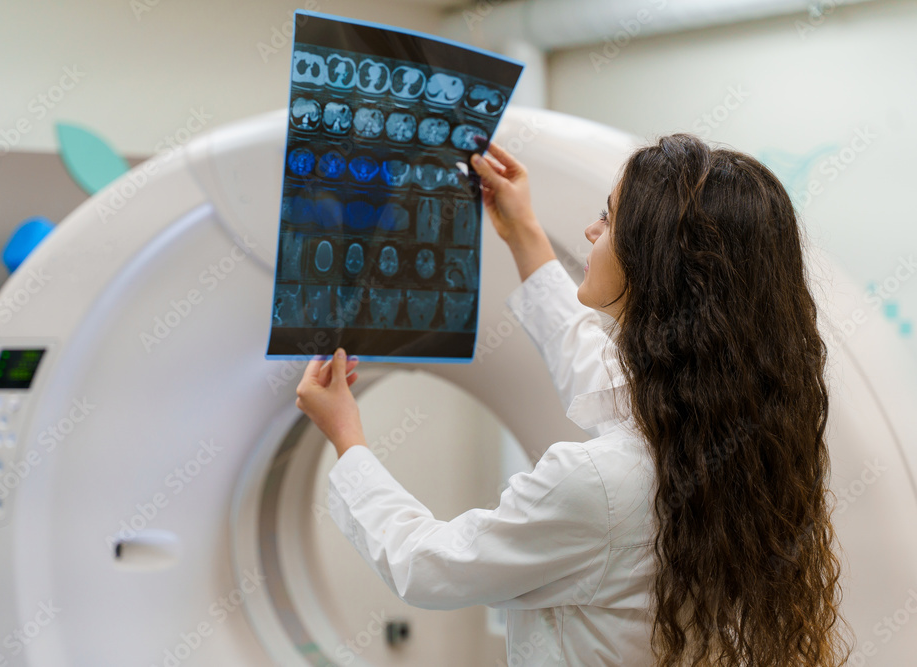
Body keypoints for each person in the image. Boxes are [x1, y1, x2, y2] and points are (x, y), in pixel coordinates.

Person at [296, 134, 852, 666]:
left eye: (608, 217)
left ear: (656, 260)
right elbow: (591, 365)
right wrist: (522, 230)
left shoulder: (601, 483)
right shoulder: (737, 433)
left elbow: (428, 565)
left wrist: (349, 440)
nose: (590, 230)